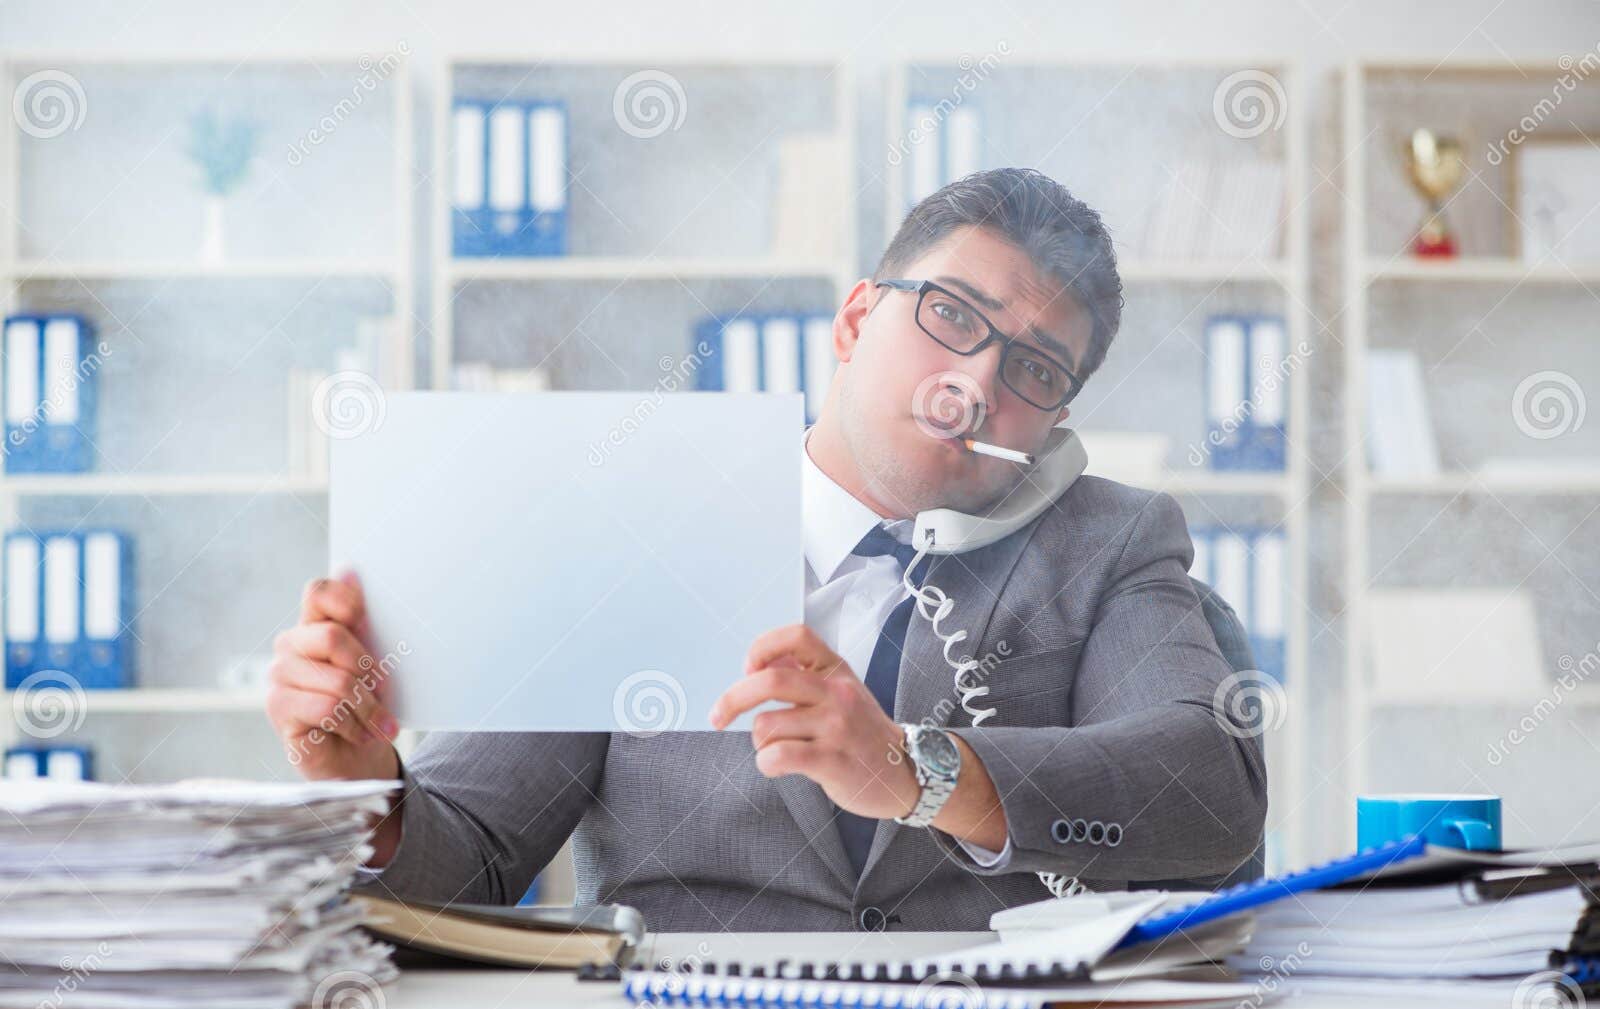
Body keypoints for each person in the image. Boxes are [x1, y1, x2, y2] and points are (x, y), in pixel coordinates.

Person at [267, 167, 1267, 932]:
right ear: (852, 320)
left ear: (1051, 425)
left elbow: (1209, 794)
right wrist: (365, 787)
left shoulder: (1110, 540)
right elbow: (468, 860)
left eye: (1035, 368)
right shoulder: (634, 522)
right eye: (952, 315)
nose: (973, 383)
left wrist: (918, 773)